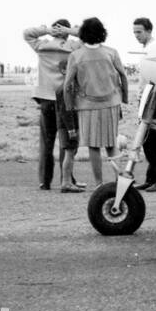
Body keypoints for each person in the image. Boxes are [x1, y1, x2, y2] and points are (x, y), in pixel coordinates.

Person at [62, 17, 129, 189]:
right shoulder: (111, 52)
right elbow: (123, 76)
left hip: (86, 105)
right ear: (102, 33)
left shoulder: (76, 56)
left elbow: (68, 84)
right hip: (111, 103)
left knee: (93, 146)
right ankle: (120, 181)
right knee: (111, 143)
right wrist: (124, 97)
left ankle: (99, 183)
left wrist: (70, 105)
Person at [23, 19, 84, 191]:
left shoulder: (42, 46)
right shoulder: (71, 47)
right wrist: (71, 31)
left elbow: (27, 33)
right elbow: (87, 36)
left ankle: (44, 180)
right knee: (67, 142)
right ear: (66, 30)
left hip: (45, 97)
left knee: (46, 142)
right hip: (65, 98)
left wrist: (46, 30)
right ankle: (67, 179)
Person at [131, 17, 156, 191]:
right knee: (147, 140)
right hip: (146, 97)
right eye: (134, 32)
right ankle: (152, 177)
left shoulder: (155, 49)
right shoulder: (146, 50)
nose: (136, 35)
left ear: (148, 31)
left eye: (139, 32)